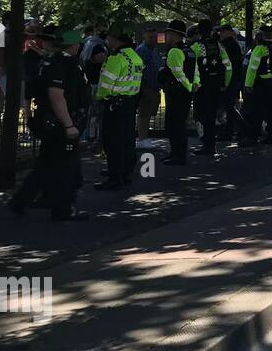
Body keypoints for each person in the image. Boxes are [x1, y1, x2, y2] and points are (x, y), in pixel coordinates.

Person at [9, 28, 90, 221]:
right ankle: (62, 208)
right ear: (74, 45)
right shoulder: (61, 64)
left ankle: (21, 200)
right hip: (60, 122)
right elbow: (57, 95)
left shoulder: (52, 62)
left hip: (53, 121)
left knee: (46, 164)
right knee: (66, 168)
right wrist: (69, 125)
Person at [94, 28, 142, 190]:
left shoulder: (115, 58)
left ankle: (115, 176)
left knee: (112, 141)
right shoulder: (135, 57)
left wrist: (100, 97)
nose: (107, 41)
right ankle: (125, 172)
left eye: (109, 38)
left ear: (117, 40)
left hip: (114, 103)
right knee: (127, 139)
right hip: (130, 102)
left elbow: (106, 85)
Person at [190, 19, 232, 156]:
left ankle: (206, 144)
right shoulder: (219, 45)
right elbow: (228, 66)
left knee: (201, 115)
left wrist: (194, 84)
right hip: (217, 85)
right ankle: (211, 144)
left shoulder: (196, 46)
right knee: (212, 114)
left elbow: (192, 68)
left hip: (202, 86)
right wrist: (225, 83)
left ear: (198, 31)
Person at [243, 23, 272, 144]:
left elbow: (252, 68)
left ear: (261, 35)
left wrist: (248, 85)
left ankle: (253, 137)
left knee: (256, 111)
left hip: (261, 83)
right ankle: (270, 137)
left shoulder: (260, 49)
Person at [160, 20, 195, 165]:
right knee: (179, 123)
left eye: (168, 33)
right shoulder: (190, 50)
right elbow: (195, 71)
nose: (166, 37)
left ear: (174, 35)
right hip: (185, 92)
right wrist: (192, 86)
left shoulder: (175, 51)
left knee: (174, 124)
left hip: (176, 92)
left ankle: (178, 155)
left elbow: (177, 74)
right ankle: (177, 153)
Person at [216, 23, 246, 142]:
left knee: (230, 107)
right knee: (229, 108)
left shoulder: (229, 45)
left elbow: (228, 66)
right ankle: (230, 131)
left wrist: (225, 82)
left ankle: (243, 129)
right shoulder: (232, 44)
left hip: (231, 80)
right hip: (234, 80)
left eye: (222, 31)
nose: (220, 34)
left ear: (228, 31)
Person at [135, 29, 163, 138]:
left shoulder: (155, 51)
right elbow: (137, 72)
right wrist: (144, 89)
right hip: (146, 90)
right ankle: (142, 138)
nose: (153, 40)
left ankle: (145, 137)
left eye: (155, 37)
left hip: (155, 88)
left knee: (149, 114)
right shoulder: (141, 51)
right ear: (144, 38)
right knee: (144, 115)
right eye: (150, 37)